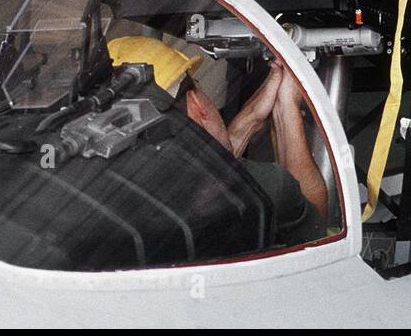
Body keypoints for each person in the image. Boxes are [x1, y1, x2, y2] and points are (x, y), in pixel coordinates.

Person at [108, 35, 327, 246]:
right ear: (196, 104)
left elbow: (215, 169)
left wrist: (249, 121)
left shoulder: (109, 187)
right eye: (198, 84)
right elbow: (316, 233)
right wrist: (286, 109)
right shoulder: (268, 187)